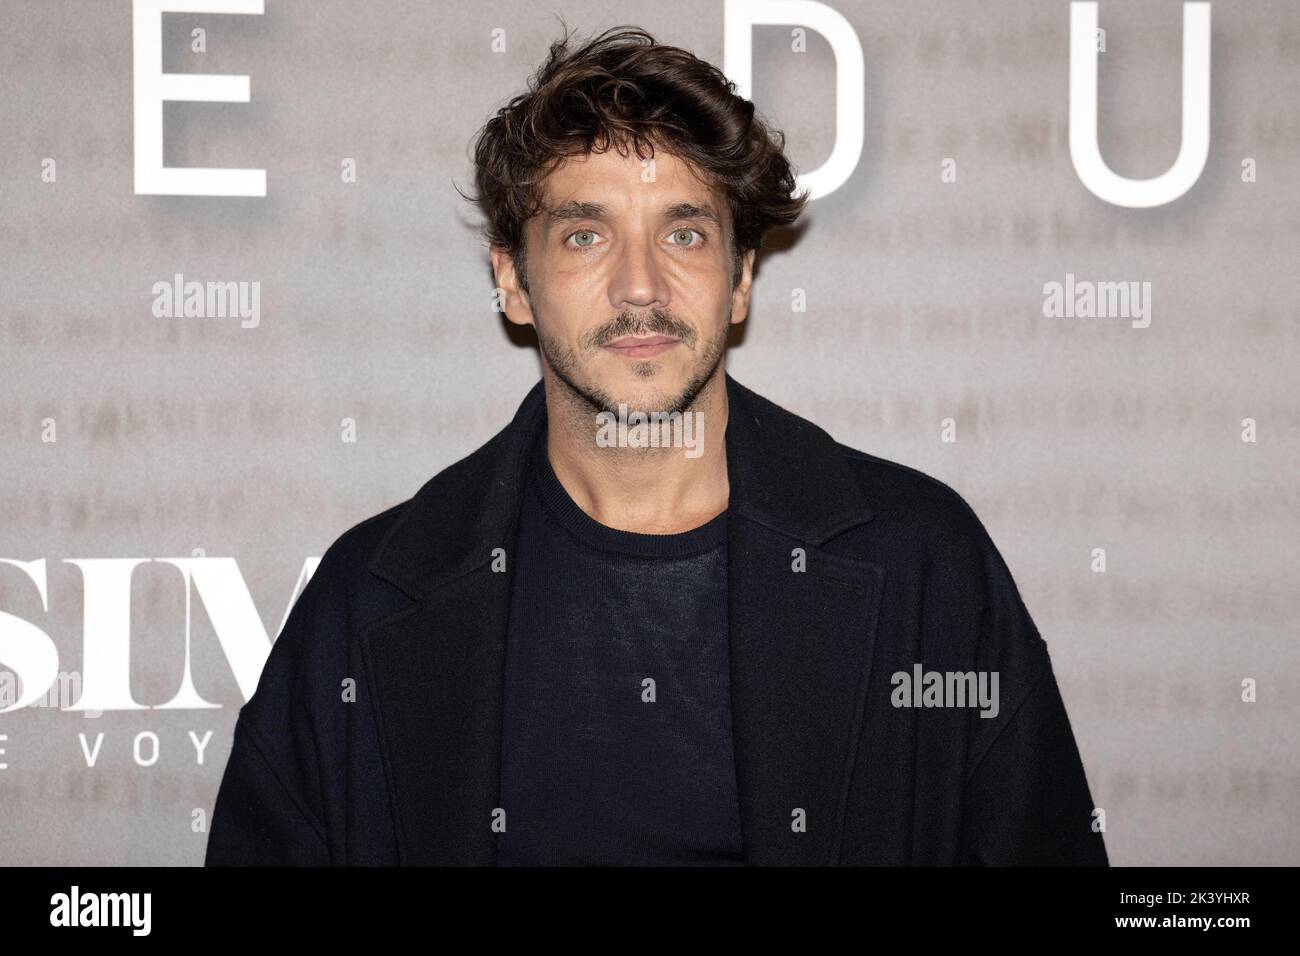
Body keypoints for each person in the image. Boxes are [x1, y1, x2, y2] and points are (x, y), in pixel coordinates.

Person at [205, 24, 1108, 866]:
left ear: (742, 277)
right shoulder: (368, 604)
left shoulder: (925, 567)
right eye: (586, 234)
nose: (641, 287)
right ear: (513, 283)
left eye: (683, 232)